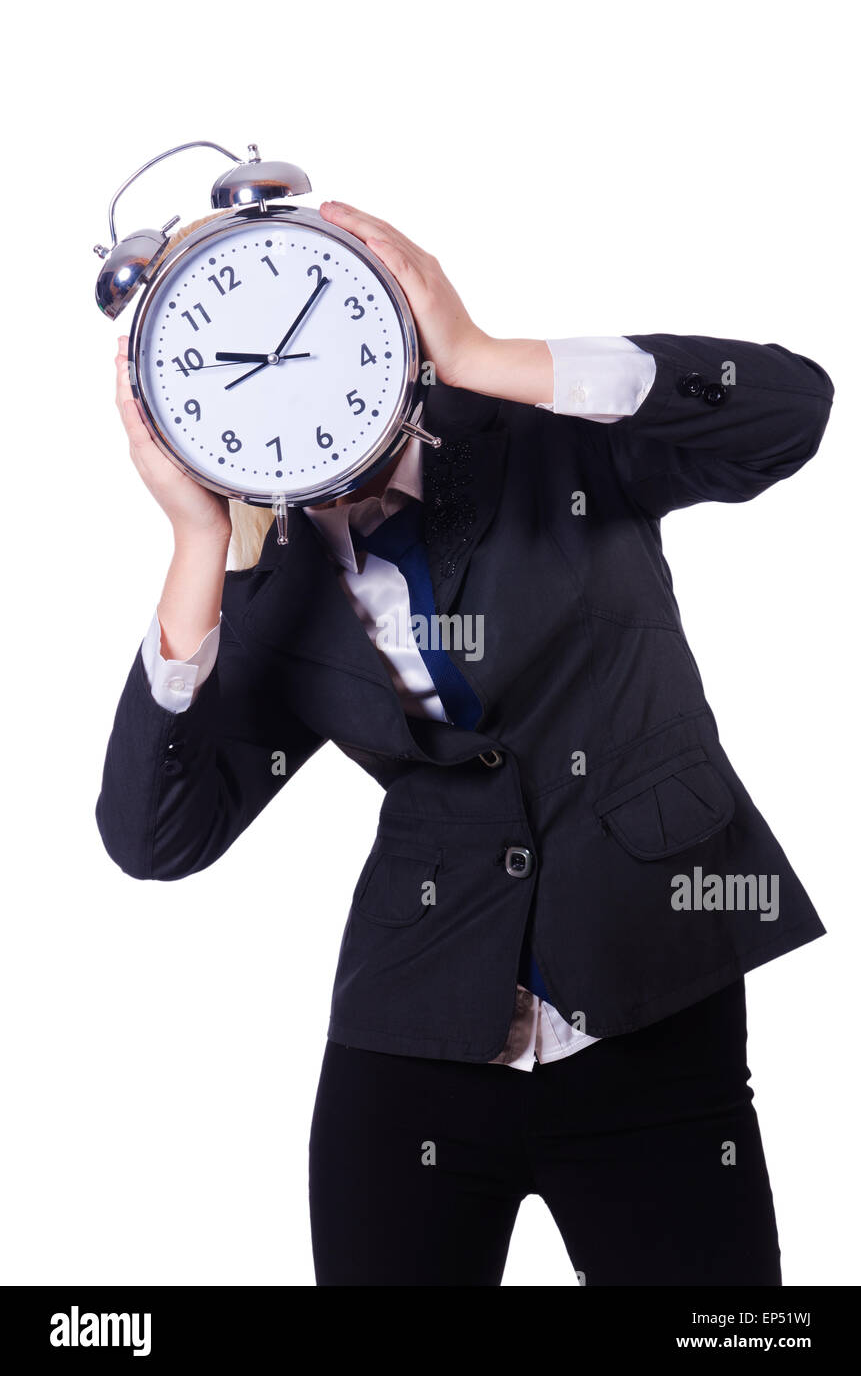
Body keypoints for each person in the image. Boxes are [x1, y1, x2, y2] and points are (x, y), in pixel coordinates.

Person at [97, 199, 834, 1286]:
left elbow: (789, 412)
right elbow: (155, 836)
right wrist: (197, 541)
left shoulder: (550, 434)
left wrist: (488, 356)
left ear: (384, 316)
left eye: (309, 338)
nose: (291, 382)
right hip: (416, 1036)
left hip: (652, 1000)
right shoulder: (275, 594)